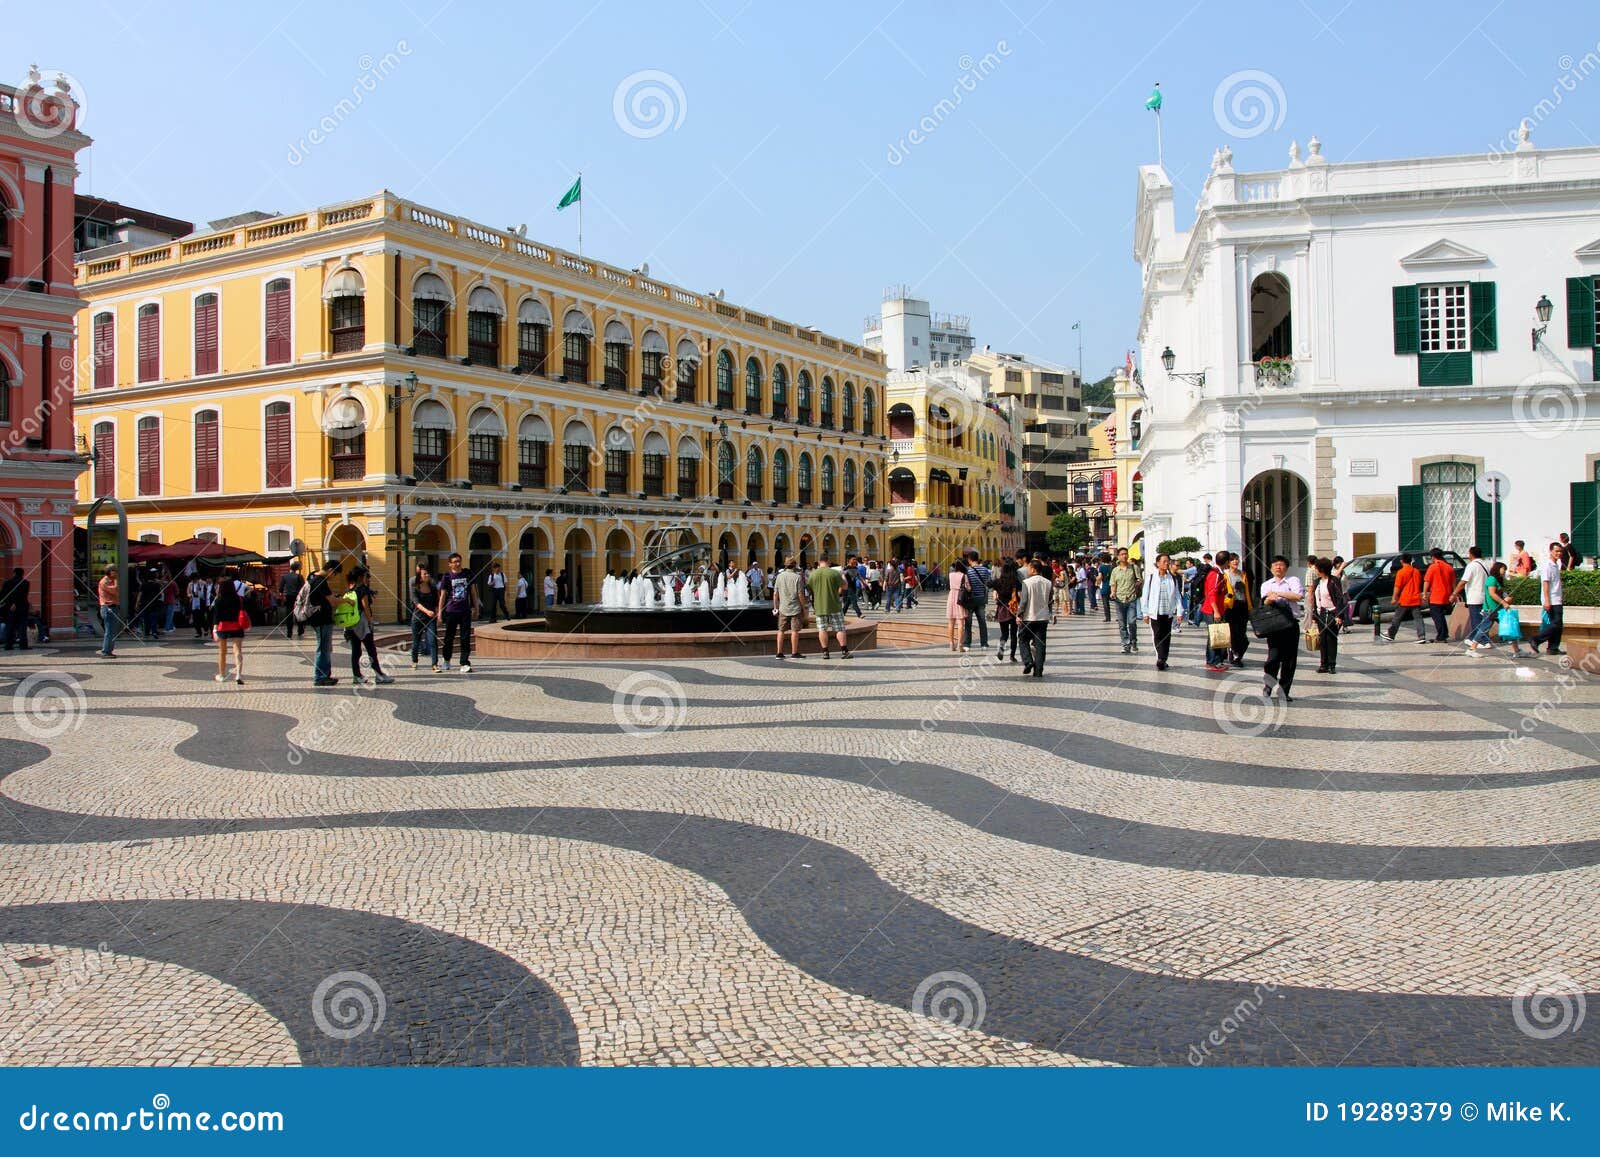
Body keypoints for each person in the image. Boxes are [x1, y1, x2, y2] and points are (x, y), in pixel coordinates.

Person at [1259, 555, 1304, 703]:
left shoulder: (1293, 581)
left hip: (1291, 624)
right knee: (1273, 658)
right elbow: (1265, 601)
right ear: (1271, 568)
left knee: (1289, 660)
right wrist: (1270, 599)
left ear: (1286, 567)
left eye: (1281, 565)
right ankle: (1268, 685)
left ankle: (1285, 691)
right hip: (1274, 626)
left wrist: (1278, 594)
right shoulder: (1266, 584)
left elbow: (1298, 596)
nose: (1278, 567)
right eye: (1275, 565)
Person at [343, 566, 394, 684]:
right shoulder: (362, 589)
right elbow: (365, 606)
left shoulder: (349, 589)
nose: (368, 578)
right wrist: (370, 621)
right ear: (361, 577)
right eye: (367, 576)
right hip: (362, 623)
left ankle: (356, 675)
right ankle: (379, 674)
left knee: (356, 650)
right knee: (371, 649)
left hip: (351, 623)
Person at [439, 552, 479, 671]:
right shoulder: (447, 576)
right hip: (451, 611)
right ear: (450, 564)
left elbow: (473, 592)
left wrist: (476, 607)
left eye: (459, 561)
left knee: (465, 637)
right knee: (449, 637)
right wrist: (440, 613)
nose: (458, 563)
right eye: (455, 562)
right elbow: (442, 596)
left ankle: (464, 663)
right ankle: (446, 660)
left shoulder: (467, 573)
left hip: (465, 610)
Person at [210, 566, 249, 685]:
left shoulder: (219, 600)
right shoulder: (238, 599)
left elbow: (216, 616)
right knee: (238, 651)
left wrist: (214, 629)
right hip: (237, 626)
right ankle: (238, 674)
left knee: (222, 652)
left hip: (223, 627)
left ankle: (221, 675)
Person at [1142, 552, 1181, 671]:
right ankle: (1160, 658)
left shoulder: (1172, 578)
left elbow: (1177, 596)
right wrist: (1145, 613)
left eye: (1168, 561)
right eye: (1164, 561)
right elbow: (1145, 595)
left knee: (1166, 636)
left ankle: (1163, 659)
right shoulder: (1151, 577)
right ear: (1158, 563)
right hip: (1155, 612)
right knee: (1157, 635)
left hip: (1168, 612)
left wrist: (1179, 612)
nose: (1166, 563)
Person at [806, 554, 850, 659]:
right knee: (839, 629)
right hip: (835, 605)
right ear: (828, 561)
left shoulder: (813, 574)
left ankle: (825, 652)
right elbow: (845, 586)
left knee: (822, 629)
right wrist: (843, 574)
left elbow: (809, 589)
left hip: (820, 606)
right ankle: (844, 651)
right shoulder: (834, 573)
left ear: (819, 561)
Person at [1528, 541, 1566, 656]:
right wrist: (1547, 600)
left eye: (1560, 551)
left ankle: (1553, 648)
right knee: (1555, 624)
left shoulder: (1556, 565)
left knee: (1558, 625)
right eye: (1556, 551)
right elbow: (1545, 584)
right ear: (1551, 551)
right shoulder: (1547, 566)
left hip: (1557, 599)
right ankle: (1536, 639)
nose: (1558, 553)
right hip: (1552, 600)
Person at [307, 559, 341, 686]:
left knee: (325, 647)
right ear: (331, 570)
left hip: (319, 619)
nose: (334, 577)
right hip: (321, 619)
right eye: (335, 574)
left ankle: (325, 675)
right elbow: (331, 601)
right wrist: (347, 601)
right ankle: (320, 676)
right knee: (322, 648)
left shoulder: (312, 576)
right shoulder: (320, 581)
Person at [1018, 558, 1054, 677]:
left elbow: (1023, 601)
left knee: (1023, 640)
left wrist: (1019, 614)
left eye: (1029, 568)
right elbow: (1050, 600)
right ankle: (1039, 670)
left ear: (1033, 569)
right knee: (1040, 644)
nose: (1028, 570)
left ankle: (1028, 661)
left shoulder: (1027, 583)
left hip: (1029, 617)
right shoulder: (1048, 583)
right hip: (1043, 618)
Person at [1454, 546, 1493, 654]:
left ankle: (1483, 641)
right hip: (1485, 597)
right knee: (1483, 620)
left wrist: (1454, 593)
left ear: (1471, 554)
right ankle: (1475, 638)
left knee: (1476, 621)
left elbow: (1463, 581)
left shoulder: (1471, 566)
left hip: (1474, 597)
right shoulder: (1487, 564)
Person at [1380, 554, 1426, 644]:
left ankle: (1391, 634)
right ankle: (1422, 636)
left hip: (1405, 599)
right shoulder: (1416, 571)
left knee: (1397, 617)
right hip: (1416, 598)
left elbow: (1397, 587)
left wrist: (1394, 597)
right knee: (1418, 618)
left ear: (1402, 561)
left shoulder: (1401, 572)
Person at [1311, 557, 1346, 675]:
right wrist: (1314, 616)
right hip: (1321, 613)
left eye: (1316, 568)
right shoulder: (1317, 582)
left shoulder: (1334, 581)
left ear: (1321, 569)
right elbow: (1314, 600)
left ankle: (1332, 665)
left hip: (1332, 613)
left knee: (1331, 639)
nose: (1315, 570)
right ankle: (1323, 664)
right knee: (1322, 640)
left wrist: (1339, 615)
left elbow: (1340, 598)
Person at [772, 555, 806, 660]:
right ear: (794, 565)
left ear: (786, 565)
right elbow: (800, 594)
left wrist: (775, 607)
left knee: (781, 630)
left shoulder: (779, 576)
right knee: (794, 630)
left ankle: (779, 653)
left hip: (783, 607)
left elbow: (775, 594)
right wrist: (803, 607)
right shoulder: (797, 577)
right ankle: (794, 652)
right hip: (795, 608)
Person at [1484, 561, 1521, 658]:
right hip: (1492, 608)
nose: (1504, 571)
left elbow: (1500, 593)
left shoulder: (1498, 580)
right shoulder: (1491, 579)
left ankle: (1517, 650)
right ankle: (1472, 648)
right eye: (1503, 569)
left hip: (1498, 608)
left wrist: (1506, 598)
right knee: (1483, 629)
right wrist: (1504, 602)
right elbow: (1492, 594)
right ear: (1498, 568)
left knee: (1510, 627)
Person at [1201, 551, 1230, 671]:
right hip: (1211, 609)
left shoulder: (1219, 572)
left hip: (1217, 608)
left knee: (1216, 635)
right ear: (1227, 561)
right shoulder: (1215, 574)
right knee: (1215, 635)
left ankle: (1215, 660)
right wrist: (1216, 611)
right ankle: (1213, 662)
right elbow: (1211, 594)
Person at [1222, 553, 1252, 667]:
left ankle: (1237, 654)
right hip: (1231, 606)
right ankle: (1234, 655)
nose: (1235, 561)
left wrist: (1250, 606)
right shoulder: (1225, 575)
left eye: (1236, 559)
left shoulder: (1243, 574)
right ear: (1228, 562)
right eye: (1232, 560)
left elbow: (1247, 592)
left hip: (1242, 605)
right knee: (1233, 632)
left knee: (1242, 633)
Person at [1422, 548, 1457, 643]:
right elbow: (1454, 582)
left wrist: (1424, 593)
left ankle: (1441, 635)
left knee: (1437, 616)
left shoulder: (1433, 567)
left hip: (1436, 595)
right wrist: (1454, 594)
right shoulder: (1449, 567)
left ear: (1433, 557)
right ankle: (1444, 633)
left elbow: (1427, 581)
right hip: (1446, 595)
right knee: (1441, 615)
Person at [1109, 548, 1140, 654]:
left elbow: (1139, 579)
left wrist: (1138, 583)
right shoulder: (1115, 570)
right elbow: (1113, 584)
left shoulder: (1134, 567)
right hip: (1119, 599)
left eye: (1126, 554)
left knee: (1132, 622)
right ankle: (1126, 644)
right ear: (1118, 556)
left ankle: (1134, 641)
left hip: (1131, 598)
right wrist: (1113, 592)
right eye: (1122, 554)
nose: (1124, 556)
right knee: (1122, 624)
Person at [411, 566, 440, 672]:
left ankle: (434, 664)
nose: (427, 576)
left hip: (430, 619)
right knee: (416, 642)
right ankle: (414, 660)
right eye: (424, 574)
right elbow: (417, 603)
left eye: (428, 574)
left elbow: (437, 602)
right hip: (418, 618)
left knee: (433, 641)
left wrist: (437, 612)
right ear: (420, 576)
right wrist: (427, 611)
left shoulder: (433, 588)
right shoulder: (415, 588)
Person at [992, 558, 1021, 663]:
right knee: (1014, 634)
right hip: (1013, 609)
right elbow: (1019, 596)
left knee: (1004, 633)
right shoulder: (1016, 582)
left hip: (1002, 609)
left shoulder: (999, 581)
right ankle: (1012, 656)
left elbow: (989, 583)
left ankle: (1001, 649)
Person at [962, 549, 992, 651]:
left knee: (968, 622)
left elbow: (966, 586)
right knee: (982, 622)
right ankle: (984, 644)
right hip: (981, 599)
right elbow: (988, 583)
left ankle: (967, 644)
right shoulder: (985, 570)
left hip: (970, 600)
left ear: (970, 559)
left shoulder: (968, 571)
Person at [946, 558, 971, 653]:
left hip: (951, 597)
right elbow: (968, 588)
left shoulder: (950, 574)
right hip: (960, 598)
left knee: (951, 622)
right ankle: (960, 644)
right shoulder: (964, 576)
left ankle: (951, 643)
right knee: (961, 622)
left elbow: (949, 585)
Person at [1, 568, 29, 651]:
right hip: (22, 607)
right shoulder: (25, 583)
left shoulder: (7, 583)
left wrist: (11, 604)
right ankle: (23, 645)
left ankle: (8, 645)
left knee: (10, 626)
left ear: (14, 573)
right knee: (22, 626)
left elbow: (3, 595)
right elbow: (23, 595)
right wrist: (15, 603)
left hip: (10, 608)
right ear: (22, 574)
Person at [96, 565, 120, 659]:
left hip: (113, 607)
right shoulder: (105, 581)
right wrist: (116, 580)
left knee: (112, 631)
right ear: (110, 572)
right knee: (109, 631)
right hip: (108, 608)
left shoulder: (110, 581)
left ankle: (109, 650)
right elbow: (114, 590)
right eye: (115, 571)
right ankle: (105, 651)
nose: (117, 573)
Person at [278, 561, 306, 638]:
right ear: (297, 568)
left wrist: (282, 596)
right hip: (297, 597)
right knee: (299, 614)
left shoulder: (285, 576)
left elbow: (280, 589)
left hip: (288, 597)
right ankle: (300, 631)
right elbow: (304, 588)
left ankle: (289, 632)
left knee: (289, 615)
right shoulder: (299, 576)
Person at [189, 572, 212, 641]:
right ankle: (198, 631)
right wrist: (190, 595)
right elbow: (188, 592)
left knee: (202, 616)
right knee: (195, 617)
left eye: (195, 579)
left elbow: (207, 591)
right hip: (194, 601)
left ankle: (205, 629)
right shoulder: (190, 584)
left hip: (201, 601)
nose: (194, 580)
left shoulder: (203, 583)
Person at [1099, 554, 1113, 621]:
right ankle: (1120, 616)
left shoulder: (1101, 567)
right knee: (1117, 603)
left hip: (1105, 586)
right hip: (1113, 586)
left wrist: (1097, 580)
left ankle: (1108, 617)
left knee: (1105, 603)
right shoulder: (1112, 567)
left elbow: (1100, 577)